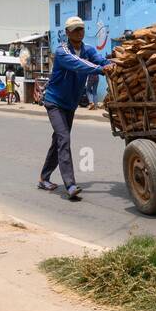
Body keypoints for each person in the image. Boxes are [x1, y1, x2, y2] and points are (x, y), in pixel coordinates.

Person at [38, 15, 111, 200]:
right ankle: (70, 185)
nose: (80, 32)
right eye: (76, 29)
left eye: (82, 28)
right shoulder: (62, 52)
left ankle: (44, 178)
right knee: (64, 139)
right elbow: (80, 65)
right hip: (54, 102)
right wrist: (100, 70)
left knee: (58, 142)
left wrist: (112, 65)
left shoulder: (88, 50)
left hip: (70, 104)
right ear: (67, 33)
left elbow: (100, 60)